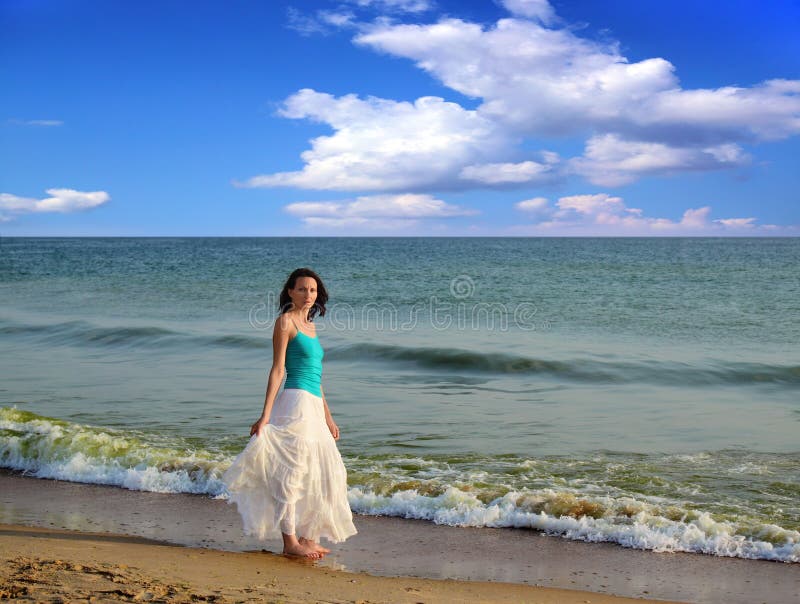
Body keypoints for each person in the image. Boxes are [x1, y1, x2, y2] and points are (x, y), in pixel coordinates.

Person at [223, 268, 357, 559]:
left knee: (324, 472)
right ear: (290, 292)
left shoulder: (311, 327)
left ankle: (309, 538)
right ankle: (290, 543)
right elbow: (278, 370)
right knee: (292, 472)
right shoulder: (285, 322)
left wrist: (328, 416)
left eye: (313, 290)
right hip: (294, 403)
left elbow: (317, 379)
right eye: (302, 289)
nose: (308, 294)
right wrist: (265, 416)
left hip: (313, 407)